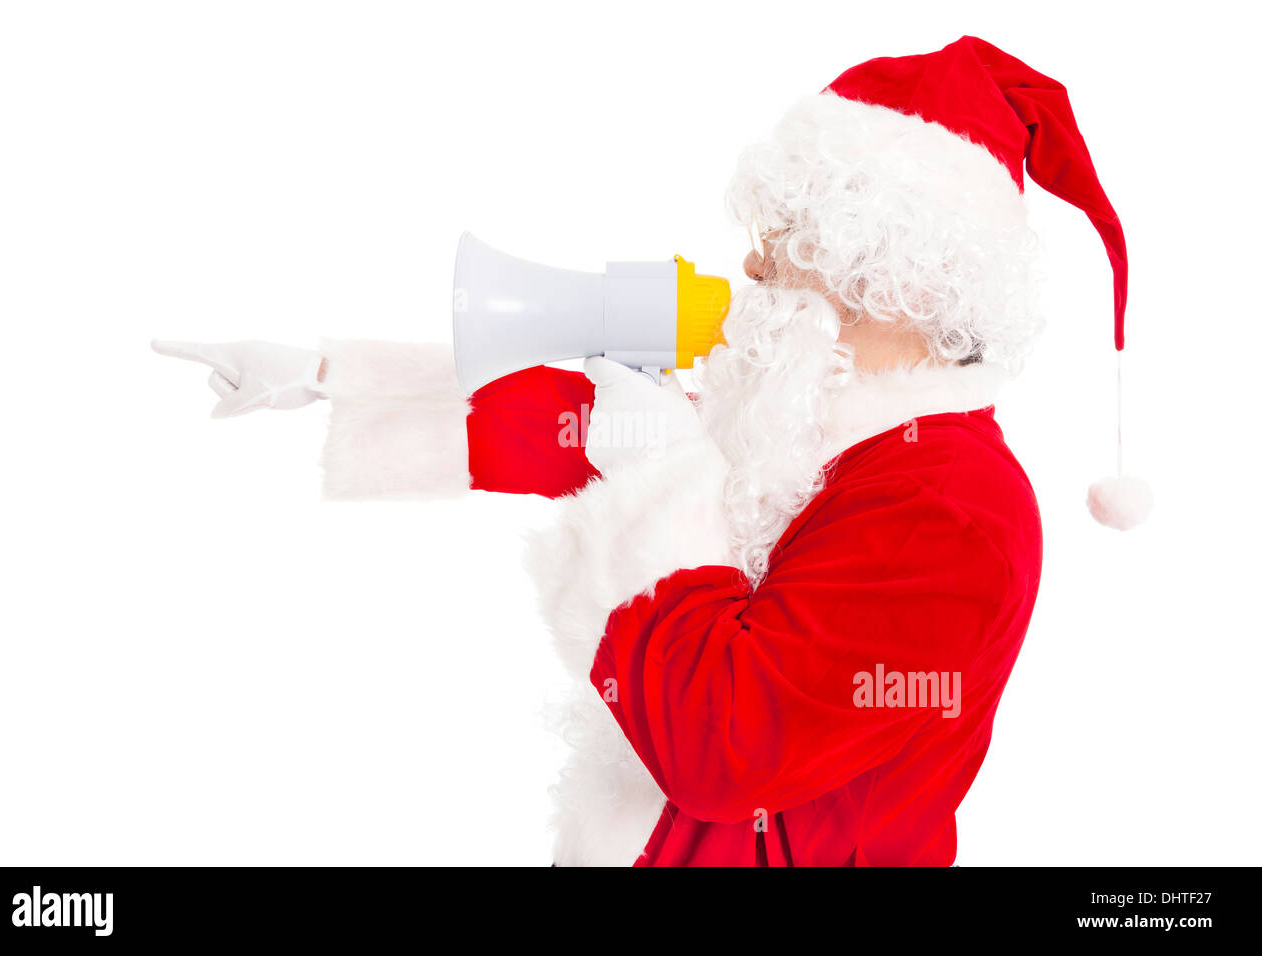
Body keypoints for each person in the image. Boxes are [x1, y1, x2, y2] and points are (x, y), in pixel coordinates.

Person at [154, 36, 1144, 866]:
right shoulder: (811, 411)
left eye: (791, 235)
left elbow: (728, 743)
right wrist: (325, 375)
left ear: (894, 274)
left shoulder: (950, 508)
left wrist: (661, 462)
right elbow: (569, 426)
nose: (753, 264)